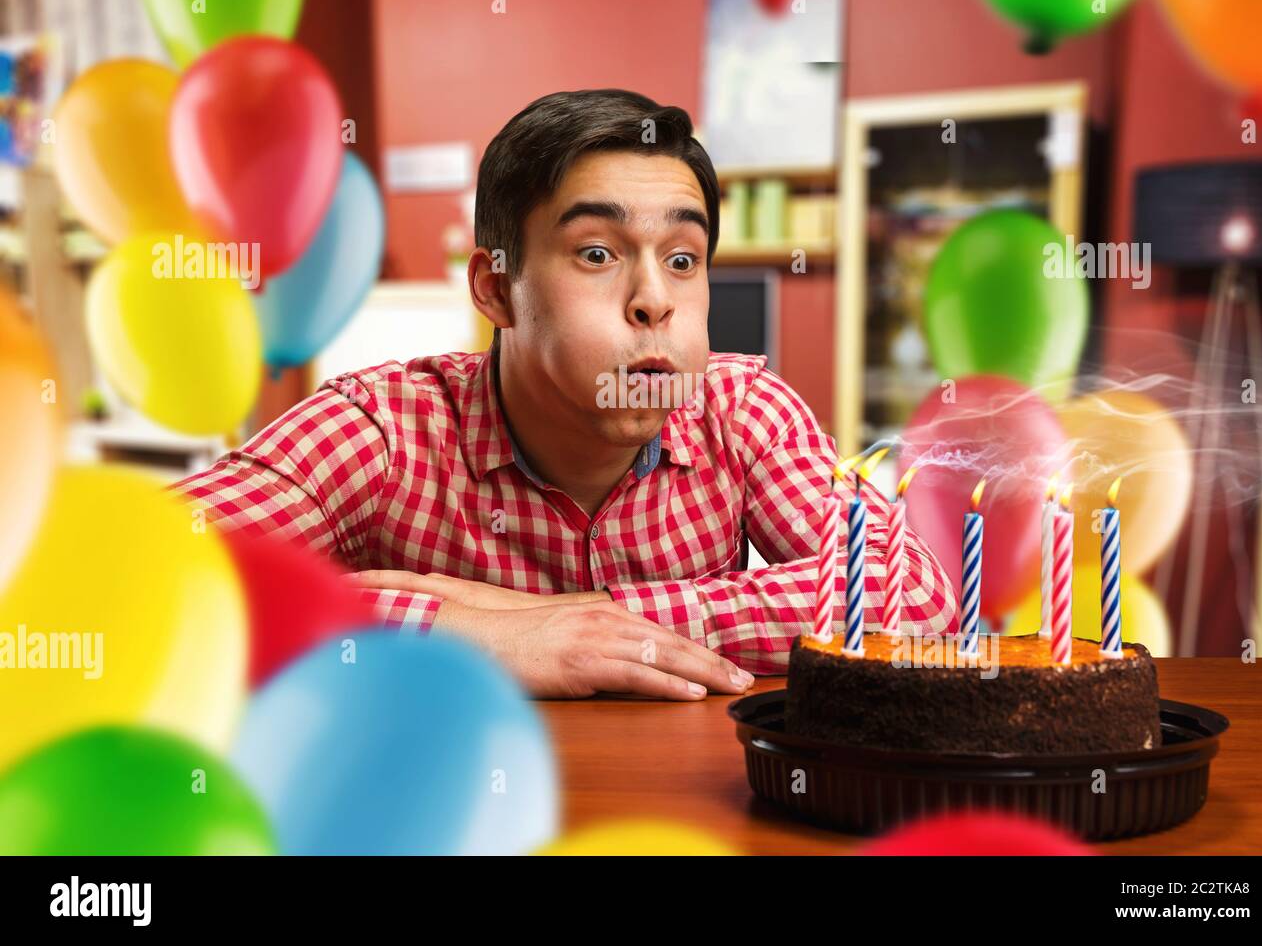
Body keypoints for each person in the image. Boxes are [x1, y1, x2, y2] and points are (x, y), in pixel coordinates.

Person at [174, 88, 955, 700]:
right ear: (497, 288)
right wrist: (462, 631)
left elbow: (912, 596)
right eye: (596, 252)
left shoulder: (741, 411)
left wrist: (591, 625)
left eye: (683, 260)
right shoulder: (382, 431)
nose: (655, 299)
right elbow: (135, 571)